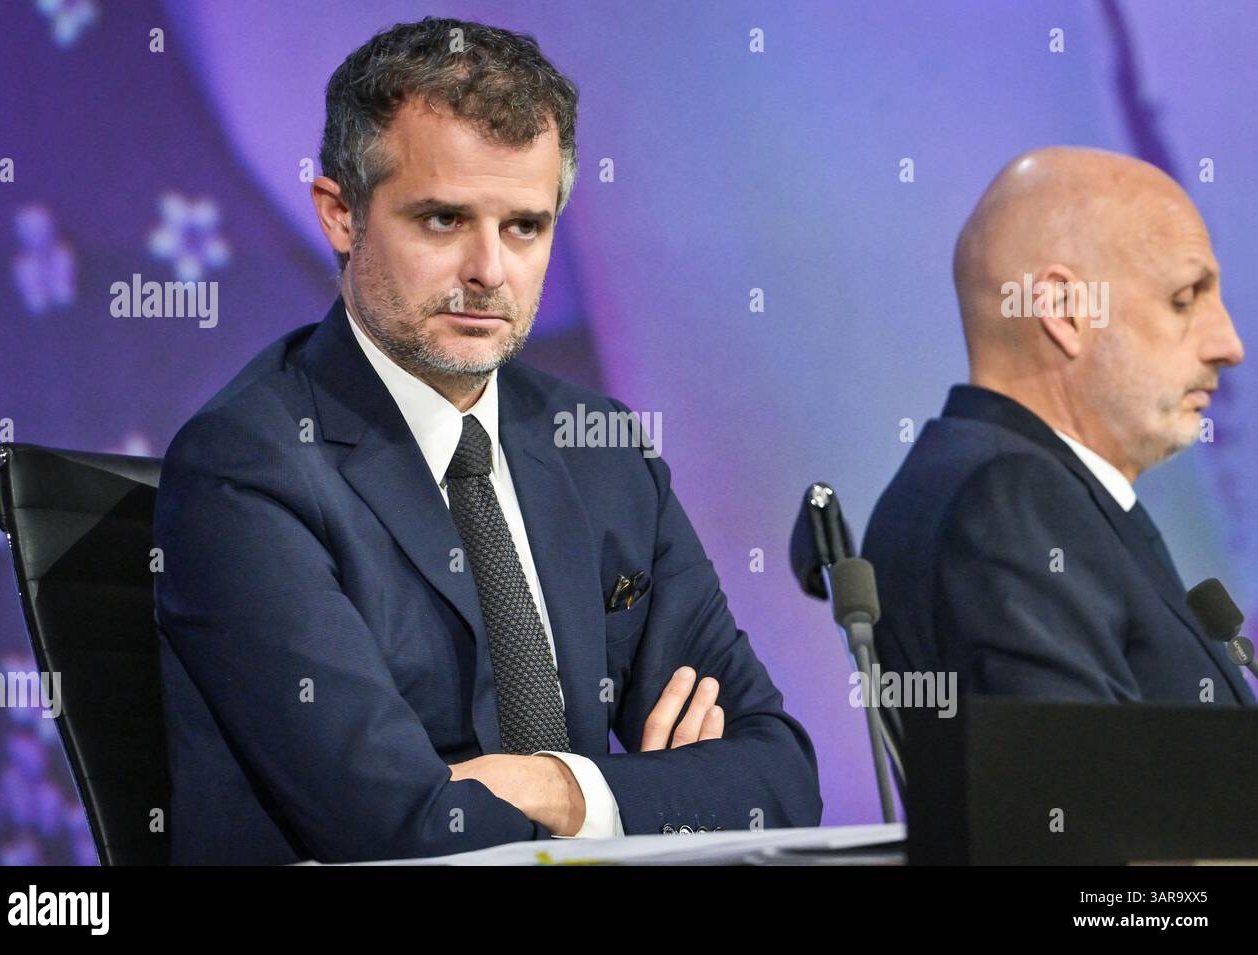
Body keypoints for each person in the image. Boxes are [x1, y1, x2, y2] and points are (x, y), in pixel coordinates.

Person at [153, 17, 821, 865]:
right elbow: (401, 830)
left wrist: (570, 788)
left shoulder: (601, 450)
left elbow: (781, 778)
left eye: (525, 227)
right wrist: (654, 796)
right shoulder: (246, 469)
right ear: (341, 216)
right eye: (442, 220)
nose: (489, 271)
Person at [863, 146, 1254, 706]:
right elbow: (1082, 786)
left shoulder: (1027, 489)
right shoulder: (1009, 501)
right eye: (1184, 298)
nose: (1229, 345)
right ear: (1067, 310)